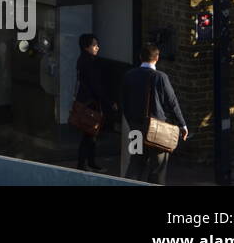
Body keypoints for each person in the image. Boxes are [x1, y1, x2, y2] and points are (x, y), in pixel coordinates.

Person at [121, 43, 188, 184]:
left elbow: (124, 102)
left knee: (135, 164)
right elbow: (172, 102)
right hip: (157, 131)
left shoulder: (129, 75)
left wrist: (131, 123)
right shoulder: (160, 77)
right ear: (157, 58)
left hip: (136, 129)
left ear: (140, 57)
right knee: (158, 168)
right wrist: (182, 124)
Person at [74, 33, 115, 171]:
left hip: (86, 102)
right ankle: (84, 164)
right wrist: (109, 102)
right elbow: (96, 86)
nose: (97, 47)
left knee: (90, 134)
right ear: (87, 47)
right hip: (90, 104)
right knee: (89, 134)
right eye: (94, 45)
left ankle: (89, 162)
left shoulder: (83, 61)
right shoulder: (89, 63)